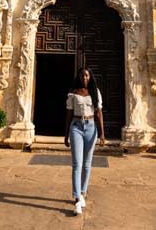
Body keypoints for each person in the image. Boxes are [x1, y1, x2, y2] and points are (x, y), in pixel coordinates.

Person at [64, 67, 106, 215]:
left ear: (90, 77)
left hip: (91, 128)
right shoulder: (73, 93)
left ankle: (82, 192)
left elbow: (99, 113)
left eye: (87, 75)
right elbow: (69, 114)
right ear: (79, 77)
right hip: (76, 126)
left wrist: (102, 133)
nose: (85, 78)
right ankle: (76, 199)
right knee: (77, 164)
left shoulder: (95, 93)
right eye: (82, 76)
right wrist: (66, 133)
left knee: (87, 164)